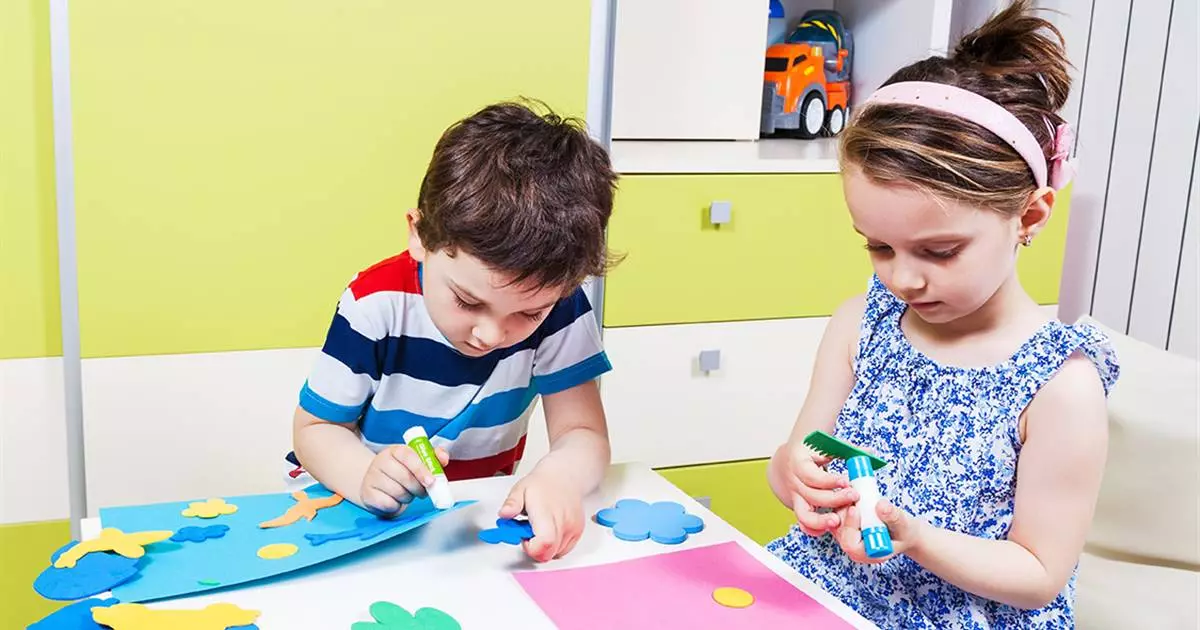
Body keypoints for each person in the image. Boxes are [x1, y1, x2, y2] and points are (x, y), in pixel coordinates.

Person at [765, 3, 1120, 626]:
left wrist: (919, 541)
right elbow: (795, 464)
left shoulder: (1060, 387)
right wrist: (795, 475)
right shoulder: (860, 326)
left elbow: (1039, 575)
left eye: (940, 251)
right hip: (826, 597)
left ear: (1030, 217)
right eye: (878, 246)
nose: (901, 278)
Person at [292, 100, 618, 563]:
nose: (490, 334)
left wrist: (559, 477)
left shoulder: (561, 307)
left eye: (527, 315)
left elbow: (583, 431)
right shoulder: (375, 303)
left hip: (464, 526)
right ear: (420, 235)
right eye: (468, 301)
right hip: (355, 513)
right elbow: (316, 429)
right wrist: (365, 476)